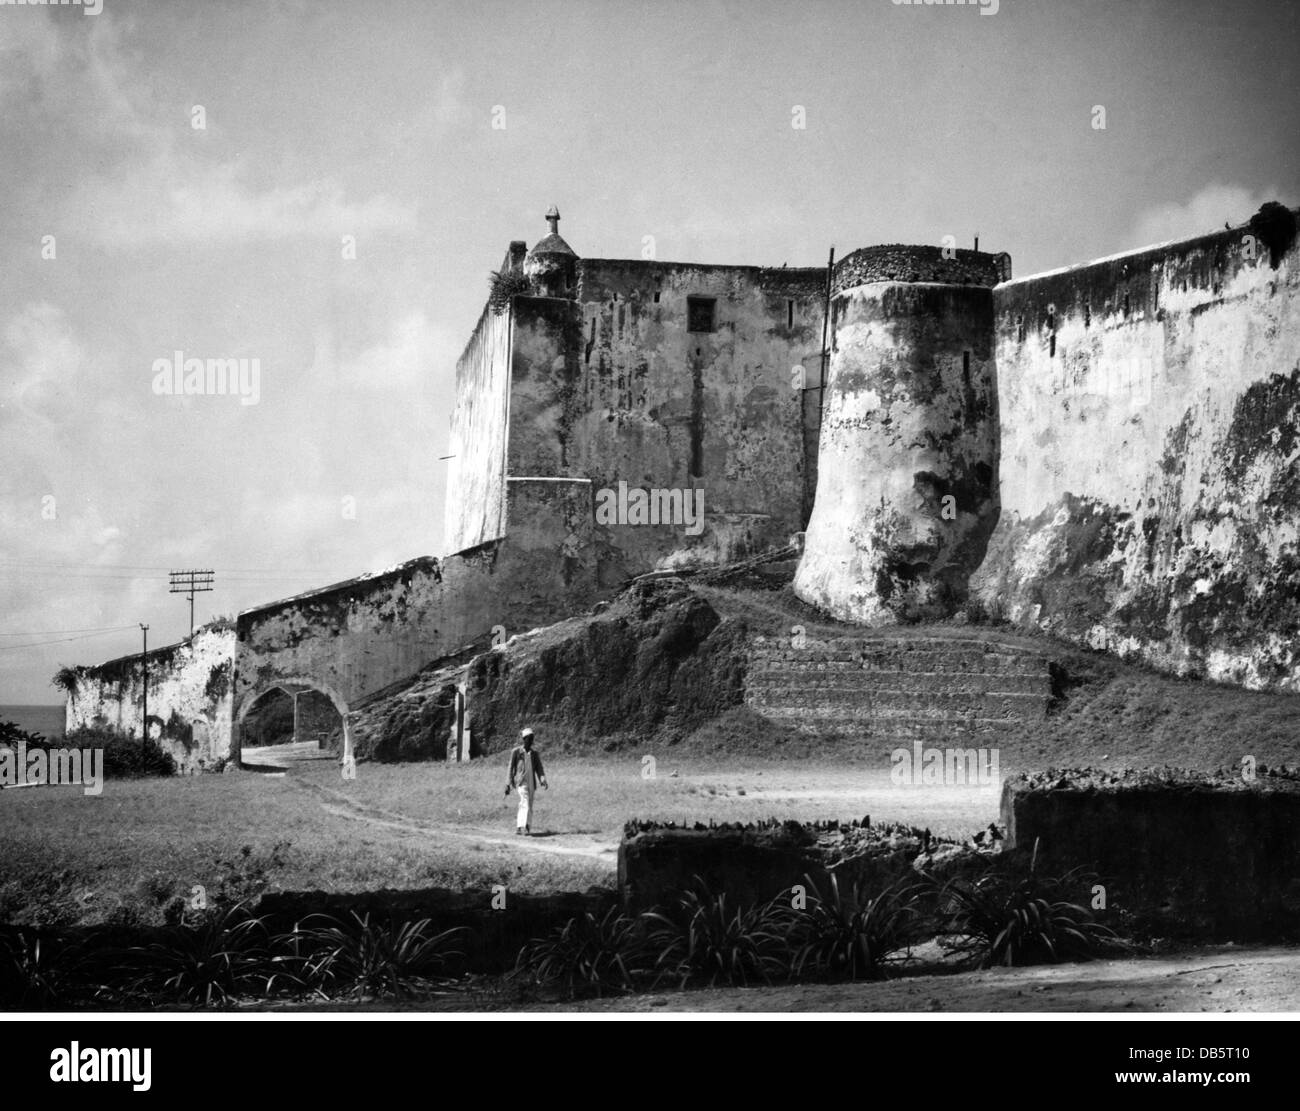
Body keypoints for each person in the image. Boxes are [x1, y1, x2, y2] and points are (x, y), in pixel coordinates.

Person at [505, 727, 548, 835]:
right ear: (524, 739)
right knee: (525, 802)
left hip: (531, 783)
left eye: (532, 738)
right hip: (521, 782)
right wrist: (508, 783)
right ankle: (523, 826)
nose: (531, 741)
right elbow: (510, 768)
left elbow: (539, 768)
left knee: (529, 804)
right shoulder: (516, 752)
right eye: (529, 738)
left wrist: (543, 780)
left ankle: (524, 826)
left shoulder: (534, 754)